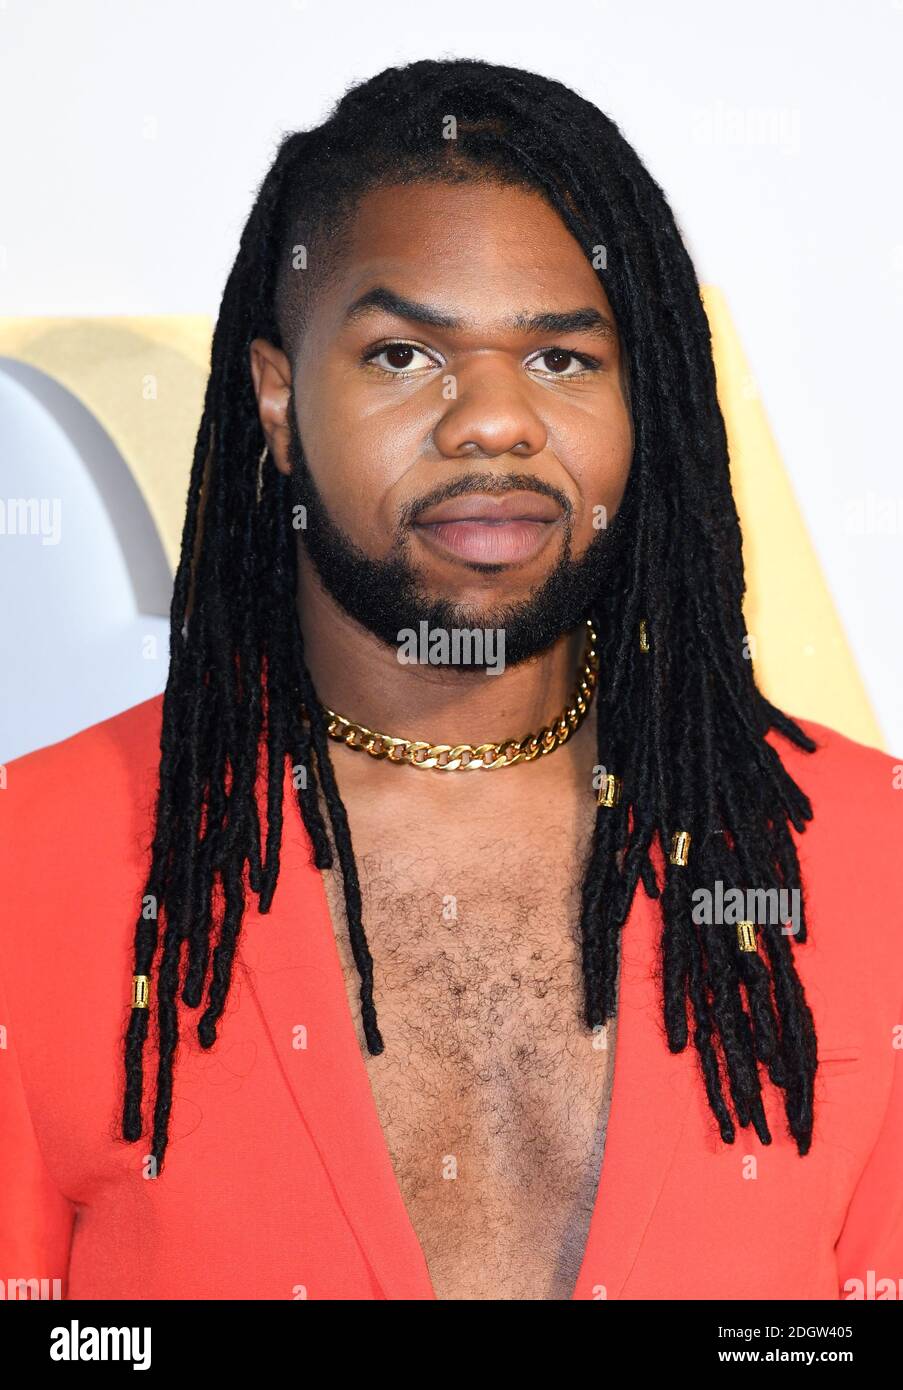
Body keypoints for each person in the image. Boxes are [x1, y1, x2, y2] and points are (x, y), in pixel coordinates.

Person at [1, 57, 901, 1303]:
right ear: (276, 399)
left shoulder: (873, 857)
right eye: (402, 356)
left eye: (564, 361)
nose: (489, 419)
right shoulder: (28, 864)